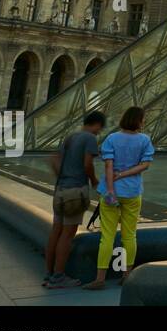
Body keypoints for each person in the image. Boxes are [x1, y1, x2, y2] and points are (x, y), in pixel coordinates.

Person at [83, 106, 154, 290]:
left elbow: (109, 166)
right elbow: (145, 165)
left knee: (106, 236)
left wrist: (112, 190)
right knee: (129, 236)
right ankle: (126, 275)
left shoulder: (112, 139)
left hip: (110, 193)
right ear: (139, 120)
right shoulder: (145, 140)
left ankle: (100, 279)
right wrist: (125, 174)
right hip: (132, 192)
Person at [43, 111, 105, 288]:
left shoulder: (70, 137)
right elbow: (87, 164)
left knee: (56, 232)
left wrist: (62, 177)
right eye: (100, 128)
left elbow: (54, 159)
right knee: (68, 236)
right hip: (75, 191)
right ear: (97, 125)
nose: (99, 132)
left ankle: (48, 274)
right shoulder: (89, 139)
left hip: (60, 189)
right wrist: (94, 181)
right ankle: (58, 277)